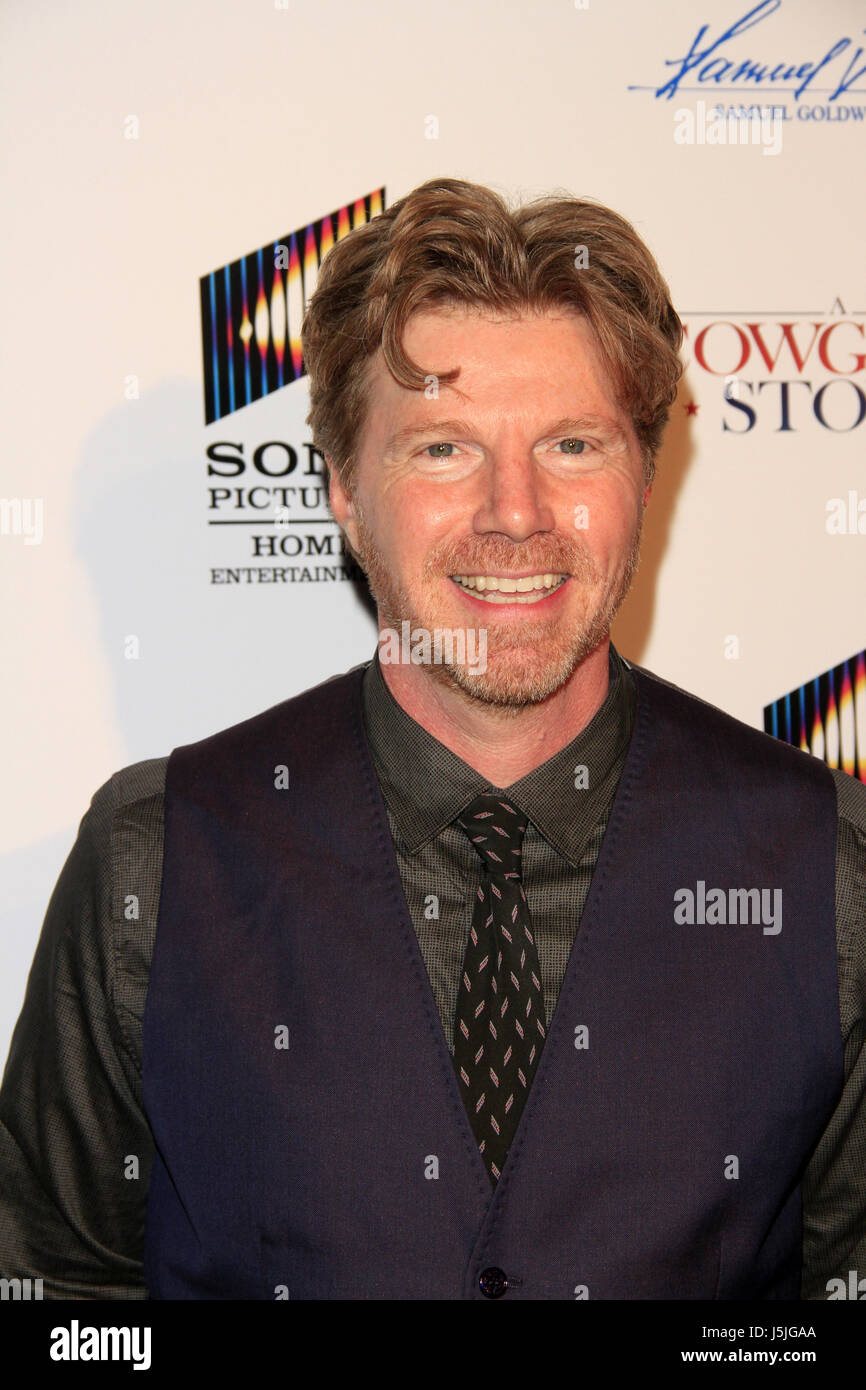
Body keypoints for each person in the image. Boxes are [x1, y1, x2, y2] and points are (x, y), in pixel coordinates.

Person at [1, 177, 864, 1301]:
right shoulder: (151, 859)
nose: (515, 512)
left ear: (645, 474)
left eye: (569, 443)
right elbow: (58, 1303)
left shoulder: (824, 867)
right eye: (443, 450)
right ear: (346, 495)